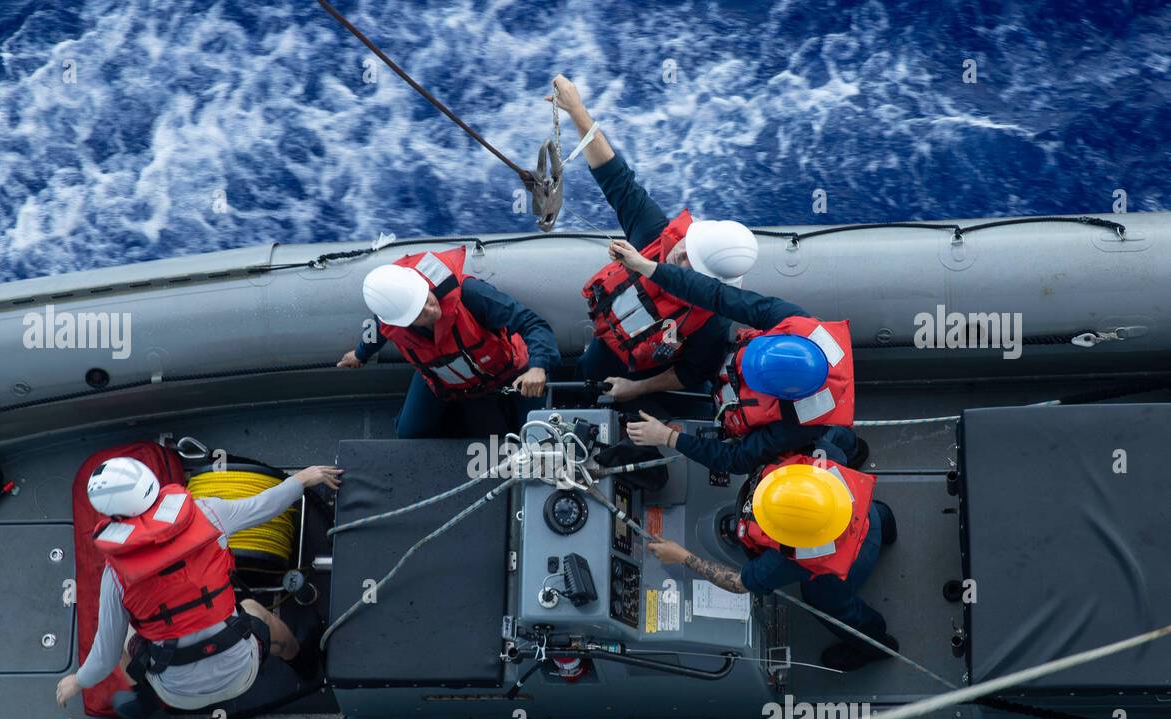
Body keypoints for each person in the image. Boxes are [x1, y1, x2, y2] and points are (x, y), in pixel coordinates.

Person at [56, 456, 343, 719]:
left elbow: (104, 660)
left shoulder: (115, 576)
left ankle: (144, 697)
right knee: (256, 611)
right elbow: (263, 506)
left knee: (122, 639)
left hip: (177, 694)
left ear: (111, 514)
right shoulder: (209, 513)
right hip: (242, 671)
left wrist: (77, 681)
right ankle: (305, 663)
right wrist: (303, 479)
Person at [549, 74, 758, 401]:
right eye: (690, 247)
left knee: (694, 404)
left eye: (693, 263)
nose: (679, 256)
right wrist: (576, 110)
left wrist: (636, 389)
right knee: (588, 373)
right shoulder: (654, 233)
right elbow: (614, 176)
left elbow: (694, 372)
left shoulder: (713, 319)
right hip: (614, 348)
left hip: (662, 369)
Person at [610, 237, 867, 474]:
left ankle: (852, 450)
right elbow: (716, 295)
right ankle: (851, 445)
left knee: (829, 441)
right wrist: (645, 266)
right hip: (727, 384)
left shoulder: (799, 424)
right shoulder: (789, 319)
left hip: (764, 417)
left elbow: (737, 459)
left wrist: (667, 437)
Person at [648, 444, 897, 671]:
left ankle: (875, 644)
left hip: (850, 567)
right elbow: (839, 440)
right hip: (868, 517)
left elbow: (737, 583)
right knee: (878, 515)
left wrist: (681, 556)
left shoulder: (786, 561)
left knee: (827, 601)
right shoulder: (825, 459)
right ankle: (889, 527)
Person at [339, 246, 558, 439]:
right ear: (403, 323)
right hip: (445, 379)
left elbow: (533, 324)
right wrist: (360, 355)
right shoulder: (391, 317)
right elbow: (378, 333)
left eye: (426, 299)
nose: (430, 309)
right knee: (409, 433)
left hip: (509, 370)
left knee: (537, 435)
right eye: (419, 312)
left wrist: (537, 368)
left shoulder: (470, 295)